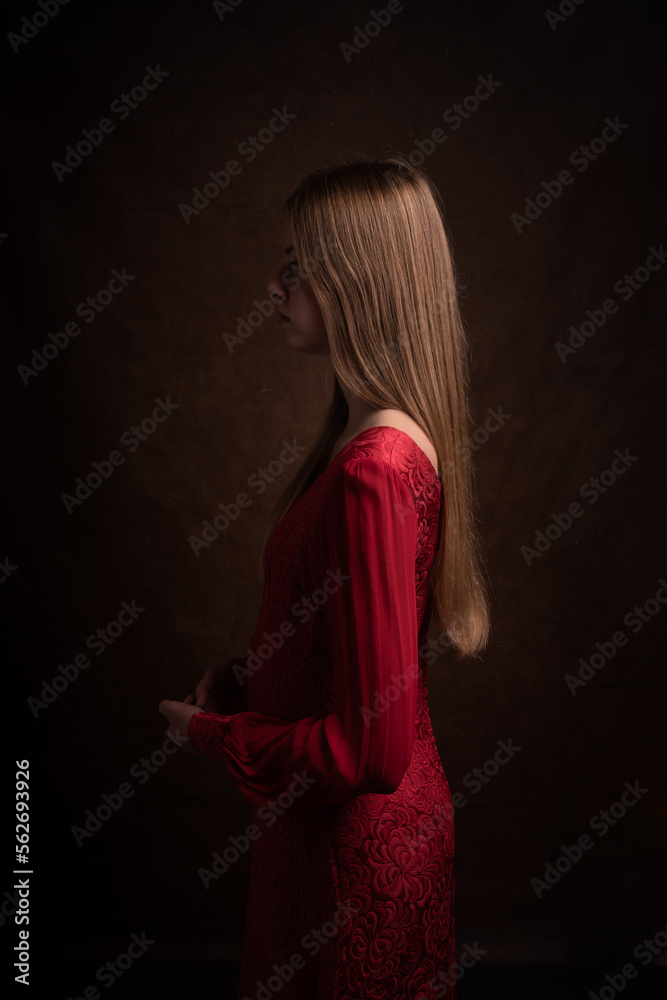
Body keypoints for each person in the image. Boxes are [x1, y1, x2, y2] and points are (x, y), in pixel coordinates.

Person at [159, 155, 490, 1000]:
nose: (275, 286)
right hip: (323, 843)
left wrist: (211, 735)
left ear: (360, 280)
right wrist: (251, 677)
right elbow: (346, 648)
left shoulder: (375, 468)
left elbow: (366, 750)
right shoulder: (360, 440)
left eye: (298, 266)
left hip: (353, 862)